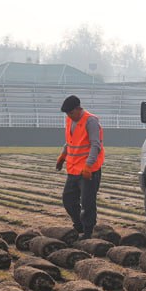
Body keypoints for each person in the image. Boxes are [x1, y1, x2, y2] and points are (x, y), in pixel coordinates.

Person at [55, 95, 103, 238]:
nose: (69, 116)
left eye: (71, 113)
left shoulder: (91, 121)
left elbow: (96, 145)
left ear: (78, 109)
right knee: (68, 200)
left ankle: (88, 232)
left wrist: (88, 166)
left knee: (87, 203)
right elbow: (70, 141)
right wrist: (63, 156)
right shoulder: (70, 120)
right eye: (67, 114)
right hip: (74, 168)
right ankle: (79, 225)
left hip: (88, 171)